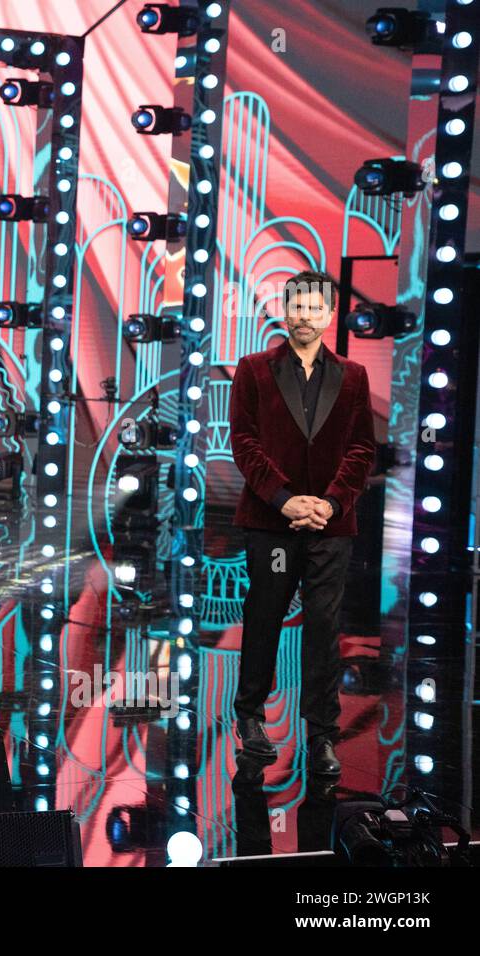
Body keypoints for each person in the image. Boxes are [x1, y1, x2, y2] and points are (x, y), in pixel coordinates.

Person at [229, 270, 377, 775]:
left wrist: (331, 504)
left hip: (331, 526)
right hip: (272, 522)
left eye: (315, 308)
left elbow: (361, 449)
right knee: (265, 615)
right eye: (296, 307)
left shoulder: (353, 376)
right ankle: (250, 717)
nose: (305, 316)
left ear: (330, 314)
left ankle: (321, 735)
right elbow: (244, 444)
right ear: (284, 310)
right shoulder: (252, 370)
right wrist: (285, 500)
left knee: (323, 627)